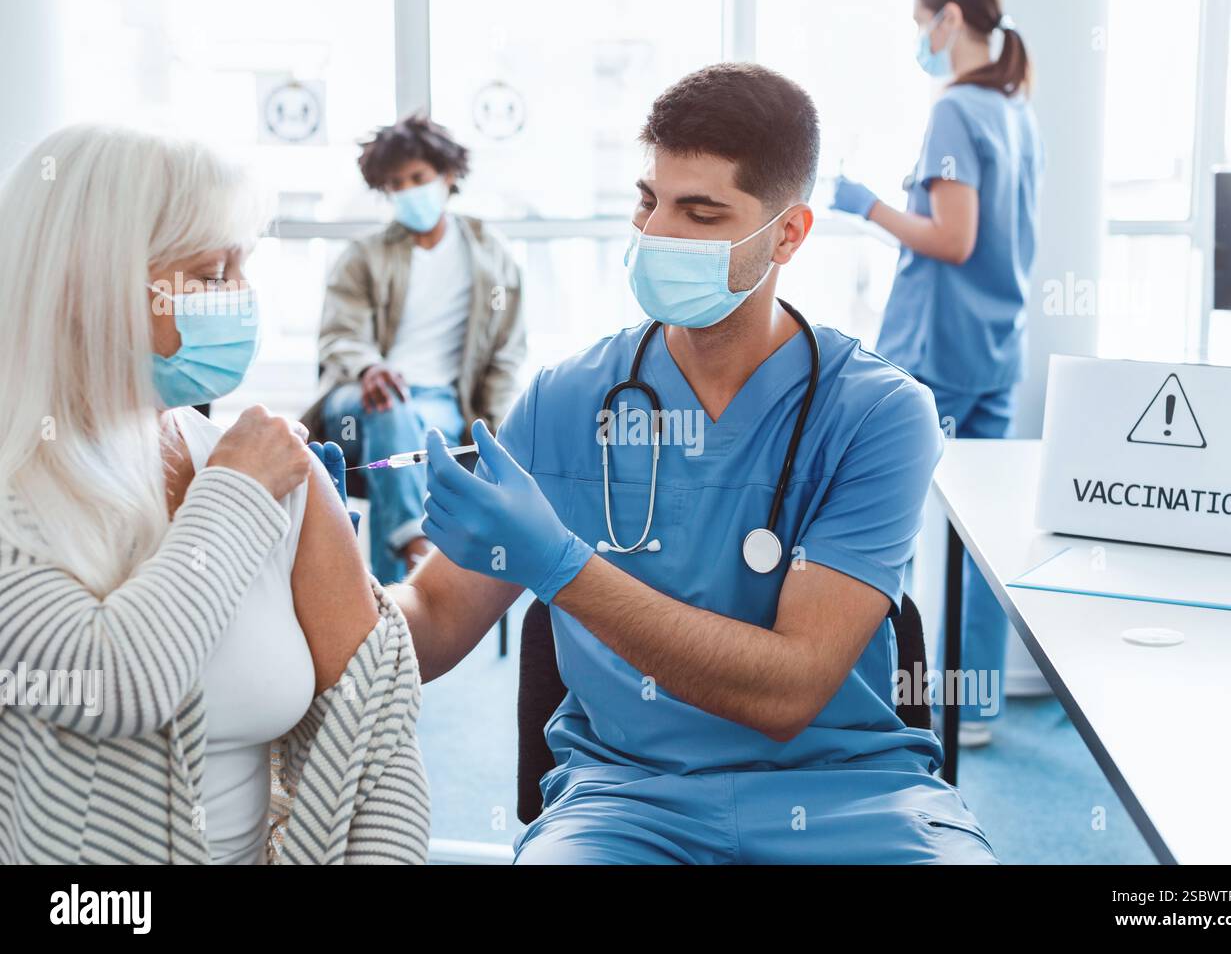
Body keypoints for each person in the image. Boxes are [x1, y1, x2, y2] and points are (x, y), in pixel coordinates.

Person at [389, 63, 996, 863]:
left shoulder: (880, 414)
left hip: (856, 799)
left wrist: (560, 564)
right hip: (623, 800)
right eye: (650, 201)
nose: (658, 234)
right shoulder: (566, 401)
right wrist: (309, 544)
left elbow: (788, 691)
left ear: (789, 233)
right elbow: (430, 625)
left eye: (701, 212)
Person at [0, 125, 429, 864]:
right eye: (206, 274)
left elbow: (377, 730)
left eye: (242, 267)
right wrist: (233, 494)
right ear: (84, 286)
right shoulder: (26, 490)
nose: (238, 300)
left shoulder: (272, 471)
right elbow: (116, 683)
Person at [832, 0, 1044, 747]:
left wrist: (867, 206)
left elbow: (952, 240)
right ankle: (972, 708)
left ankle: (883, 704)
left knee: (885, 527)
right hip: (995, 348)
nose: (920, 37)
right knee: (982, 534)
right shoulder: (1015, 106)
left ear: (948, 17)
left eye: (921, 20)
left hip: (937, 351)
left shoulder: (957, 108)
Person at [301, 115, 526, 584]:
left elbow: (506, 354)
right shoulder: (365, 256)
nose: (409, 191)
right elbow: (339, 337)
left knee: (406, 439)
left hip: (443, 405)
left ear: (447, 176)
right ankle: (414, 548)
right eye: (396, 184)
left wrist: (500, 434)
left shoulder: (491, 257)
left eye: (418, 178)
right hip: (357, 398)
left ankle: (388, 597)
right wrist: (369, 368)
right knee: (388, 405)